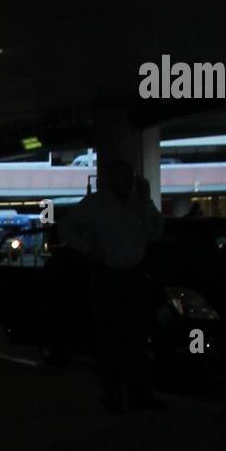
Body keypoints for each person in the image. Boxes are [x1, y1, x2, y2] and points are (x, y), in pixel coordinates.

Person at [60, 158, 165, 415]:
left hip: (133, 275)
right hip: (107, 274)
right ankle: (114, 394)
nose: (125, 180)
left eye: (128, 175)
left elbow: (156, 232)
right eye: (121, 174)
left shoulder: (139, 203)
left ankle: (138, 392)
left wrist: (145, 201)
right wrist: (88, 249)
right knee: (110, 339)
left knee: (136, 339)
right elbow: (65, 228)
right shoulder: (96, 204)